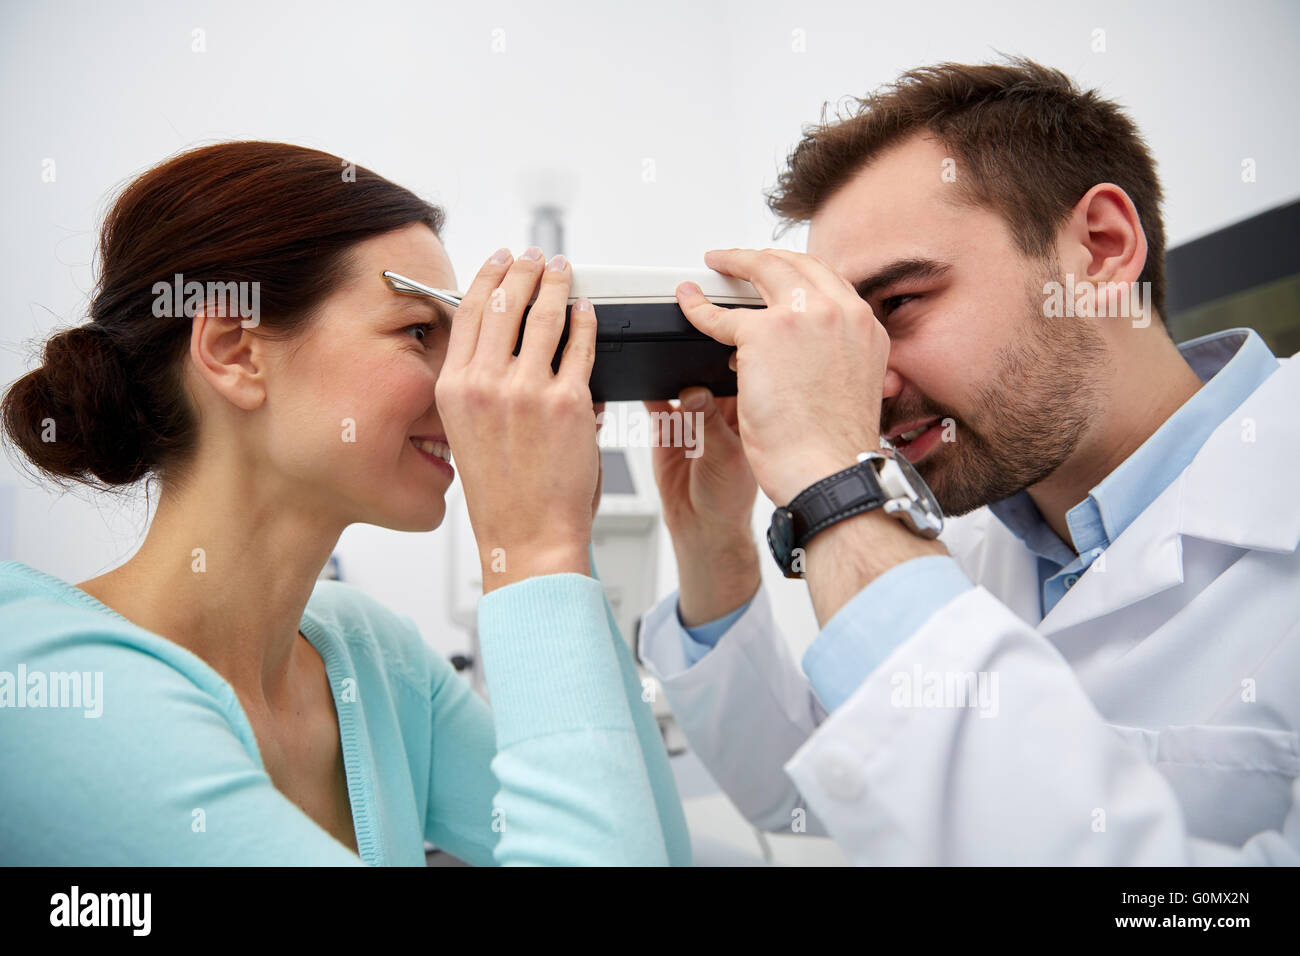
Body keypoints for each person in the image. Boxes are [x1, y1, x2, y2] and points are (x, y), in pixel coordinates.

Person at [637, 57, 1300, 864]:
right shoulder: (981, 538)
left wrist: (834, 485)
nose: (866, 380)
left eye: (896, 305)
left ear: (1101, 250)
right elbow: (810, 791)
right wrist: (713, 541)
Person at [0, 141, 690, 866]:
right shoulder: (52, 686)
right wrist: (534, 552)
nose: (465, 387)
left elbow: (654, 854)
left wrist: (574, 539)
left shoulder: (372, 659)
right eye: (419, 332)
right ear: (234, 348)